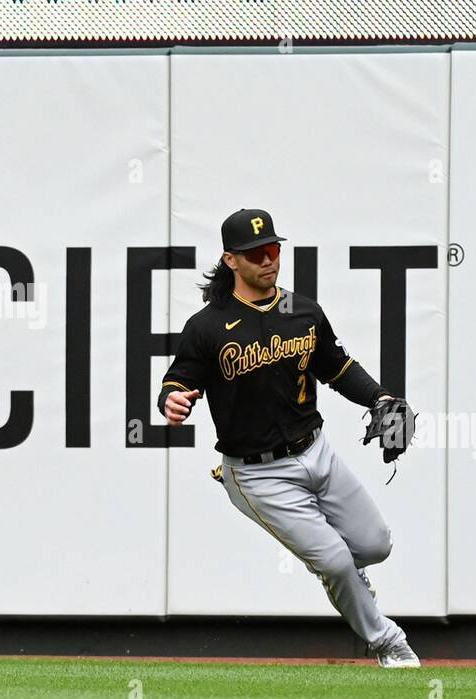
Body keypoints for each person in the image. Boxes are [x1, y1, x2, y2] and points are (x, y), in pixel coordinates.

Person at [158, 208, 420, 668]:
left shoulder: (301, 311)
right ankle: (388, 644)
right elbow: (176, 382)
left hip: (315, 450)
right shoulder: (208, 325)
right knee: (336, 562)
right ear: (230, 261)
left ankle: (349, 583)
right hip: (257, 473)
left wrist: (379, 398)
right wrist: (173, 401)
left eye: (273, 249)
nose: (268, 259)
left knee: (376, 544)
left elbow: (336, 368)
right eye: (255, 253)